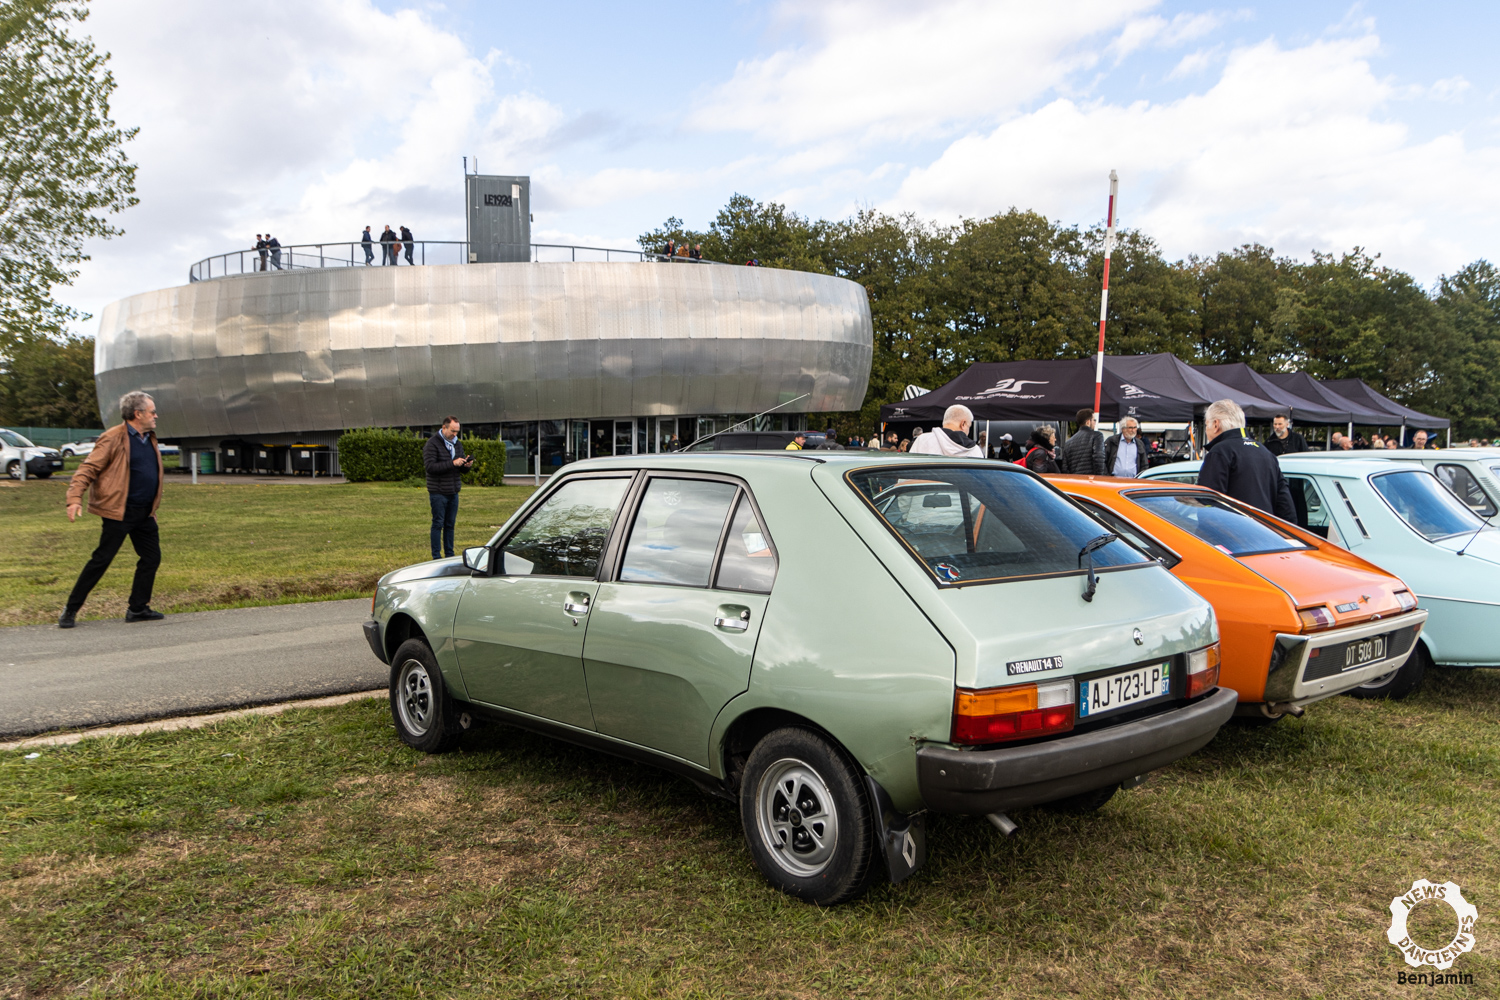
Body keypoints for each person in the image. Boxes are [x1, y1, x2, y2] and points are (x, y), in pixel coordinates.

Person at [59, 391, 166, 628]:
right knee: (102, 559)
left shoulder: (149, 437)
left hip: (145, 513)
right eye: (152, 412)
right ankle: (71, 609)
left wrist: (152, 505)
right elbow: (87, 469)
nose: (156, 416)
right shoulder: (113, 437)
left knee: (151, 558)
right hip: (119, 512)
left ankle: (137, 608)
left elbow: (146, 474)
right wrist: (74, 498)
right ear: (137, 414)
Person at [1198, 399, 1296, 522]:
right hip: (1265, 535)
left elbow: (1208, 505)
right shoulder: (1265, 452)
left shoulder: (1220, 452)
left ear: (1216, 424)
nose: (1206, 431)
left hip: (1231, 536)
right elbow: (1286, 509)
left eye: (1207, 425)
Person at [423, 416, 472, 560]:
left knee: (450, 524)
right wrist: (452, 463)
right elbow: (430, 467)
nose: (455, 434)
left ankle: (449, 555)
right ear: (444, 428)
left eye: (457, 431)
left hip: (453, 491)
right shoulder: (432, 444)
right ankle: (436, 556)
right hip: (438, 491)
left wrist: (466, 466)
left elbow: (460, 468)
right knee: (438, 523)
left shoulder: (457, 444)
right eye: (452, 431)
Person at [909, 404, 984, 458]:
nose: (968, 431)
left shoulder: (923, 440)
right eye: (969, 426)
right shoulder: (974, 450)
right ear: (963, 424)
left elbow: (908, 473)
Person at [1059, 407, 1105, 475]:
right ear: (1088, 422)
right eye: (1094, 420)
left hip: (1076, 481)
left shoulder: (1068, 442)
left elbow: (1065, 467)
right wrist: (1099, 477)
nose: (1095, 423)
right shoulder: (1097, 436)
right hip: (1091, 480)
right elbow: (1099, 458)